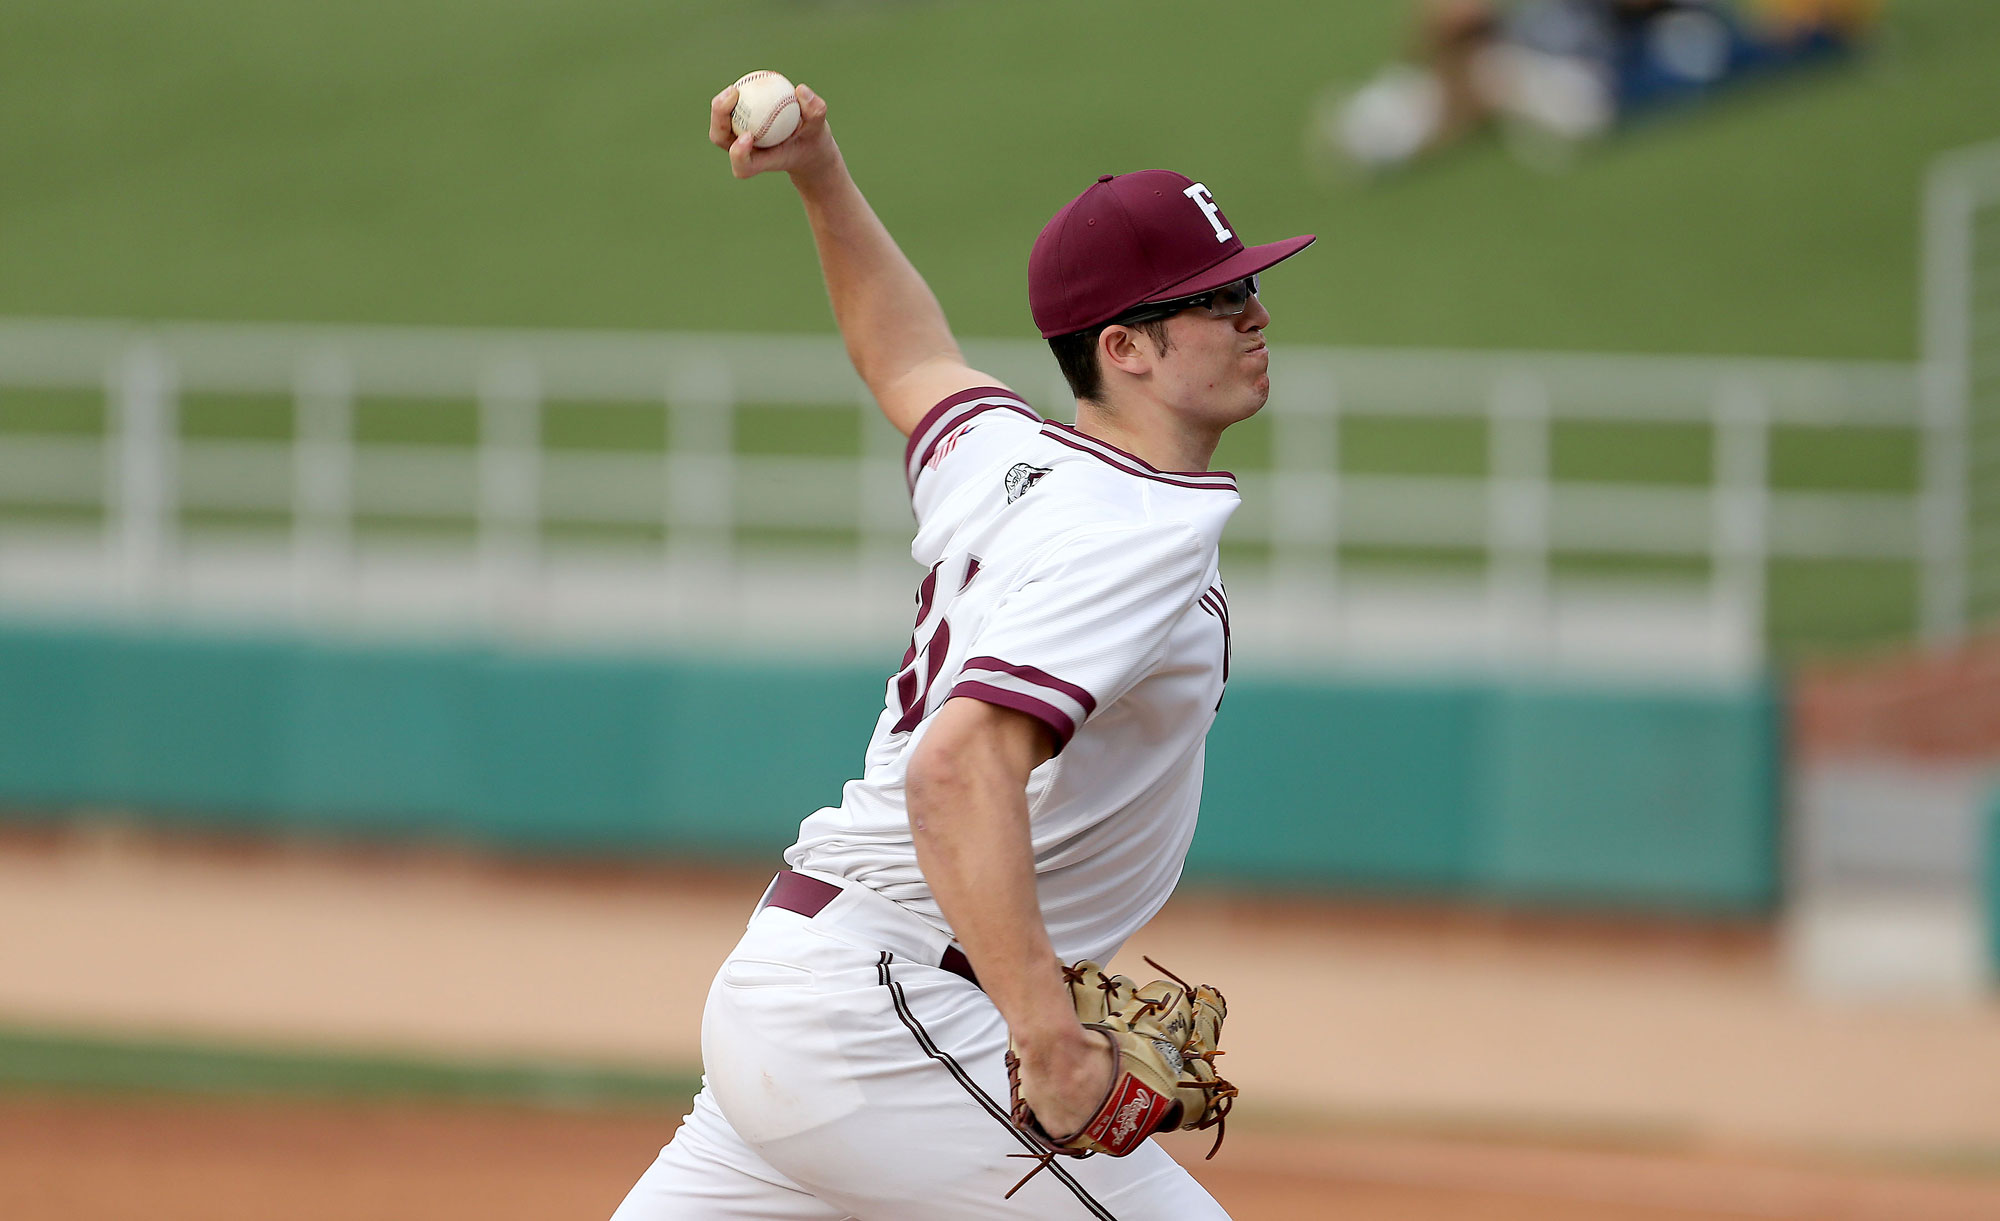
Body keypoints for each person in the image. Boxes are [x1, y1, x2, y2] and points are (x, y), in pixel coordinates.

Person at [609, 79, 1312, 1220]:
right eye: (1217, 296)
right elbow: (957, 767)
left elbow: (903, 355)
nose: (1254, 313)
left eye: (1247, 285)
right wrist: (1049, 1042)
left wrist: (819, 171)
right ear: (1124, 347)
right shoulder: (1139, 527)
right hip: (896, 1018)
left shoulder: (1006, 456)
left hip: (796, 981)